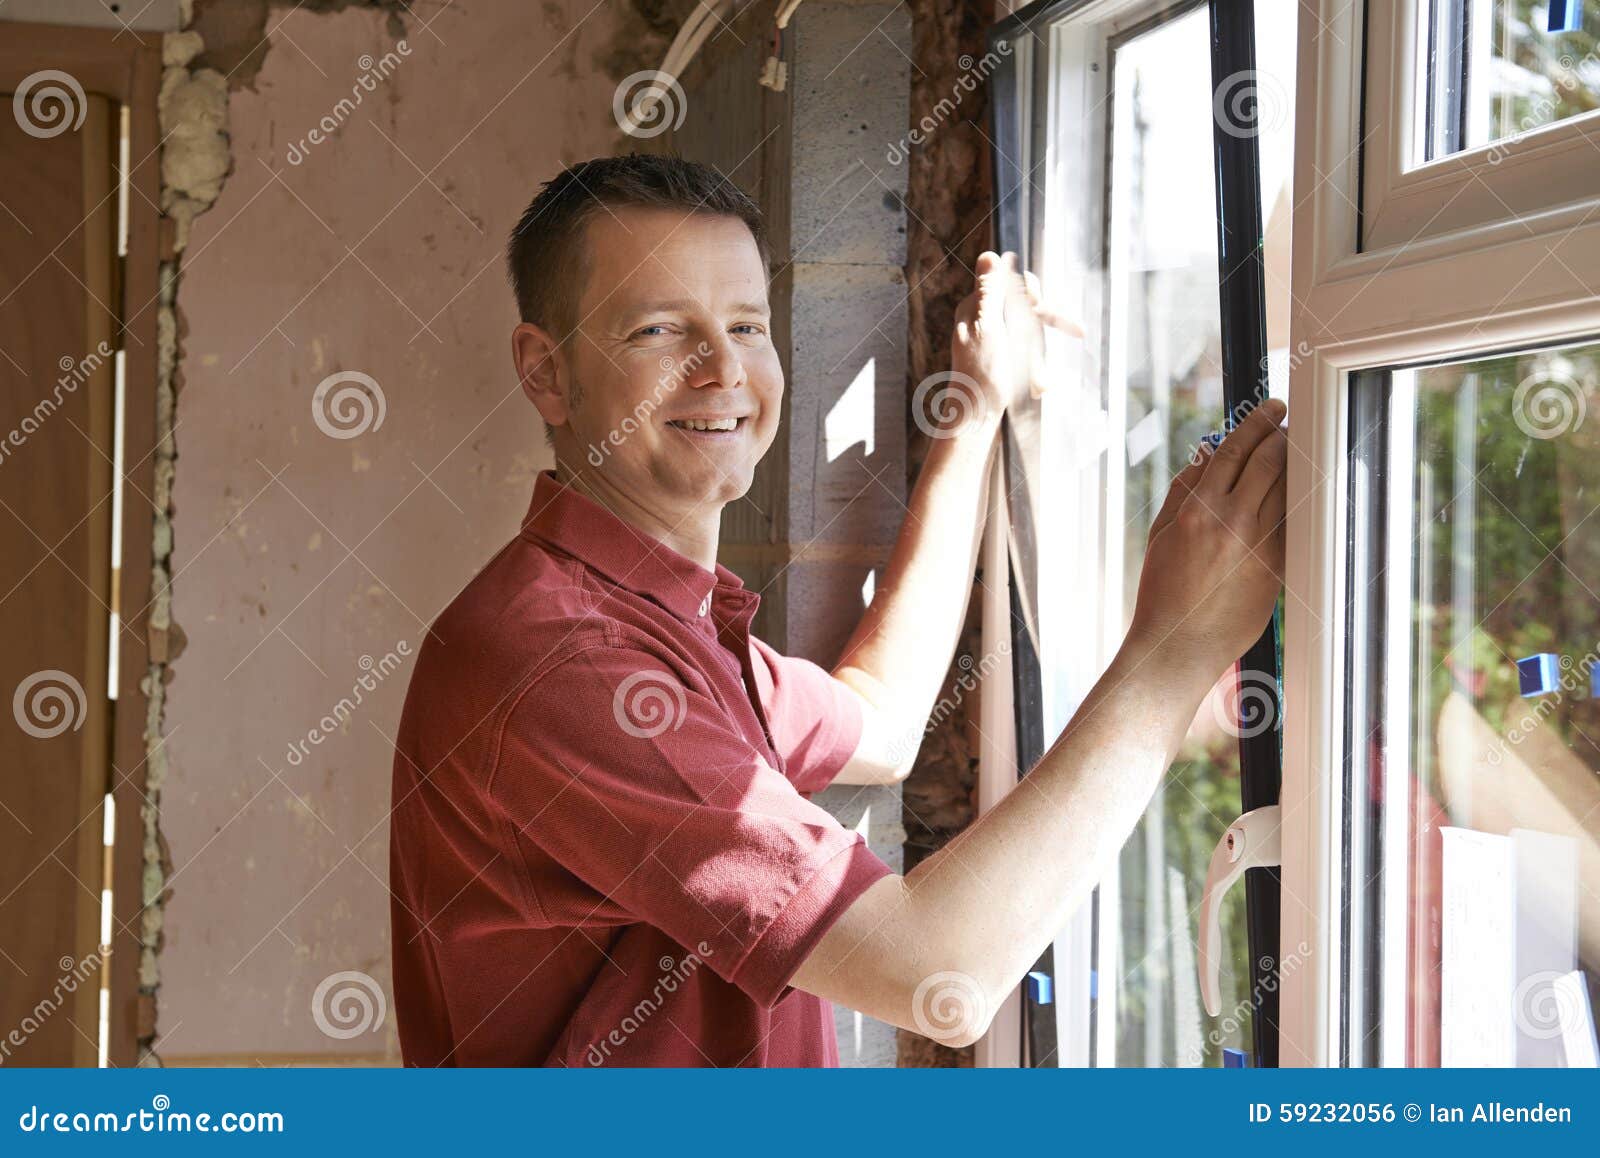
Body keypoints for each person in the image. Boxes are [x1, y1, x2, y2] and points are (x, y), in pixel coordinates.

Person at [388, 153, 1287, 1066]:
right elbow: (940, 975)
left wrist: (972, 415)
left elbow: (883, 719)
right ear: (546, 372)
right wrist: (1179, 647)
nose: (722, 369)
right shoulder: (565, 662)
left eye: (746, 324)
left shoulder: (668, 626)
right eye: (661, 330)